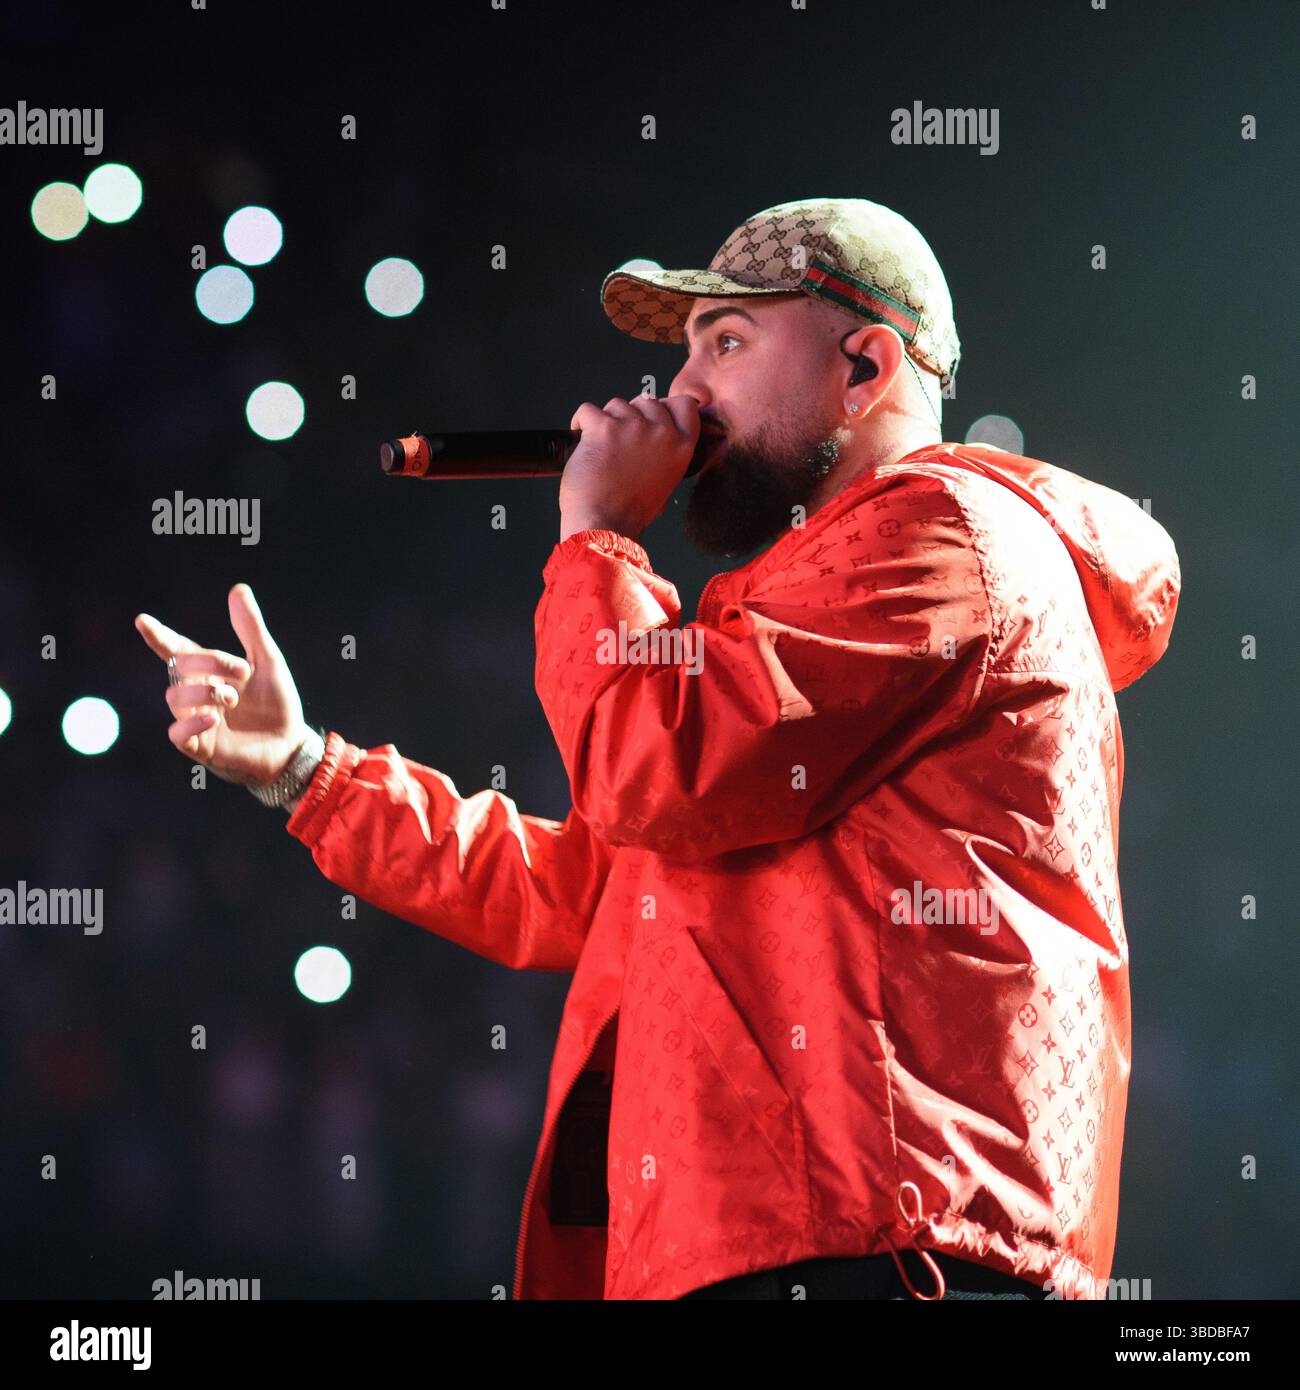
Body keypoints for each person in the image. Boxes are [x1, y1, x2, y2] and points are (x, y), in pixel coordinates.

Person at [134, 197, 1181, 1301]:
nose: (679, 393)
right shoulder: (791, 597)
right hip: (762, 1237)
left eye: (726, 343)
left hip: (874, 1238)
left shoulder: (940, 535)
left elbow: (650, 774)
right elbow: (586, 890)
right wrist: (309, 770)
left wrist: (594, 540)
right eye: (684, 351)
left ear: (865, 366)